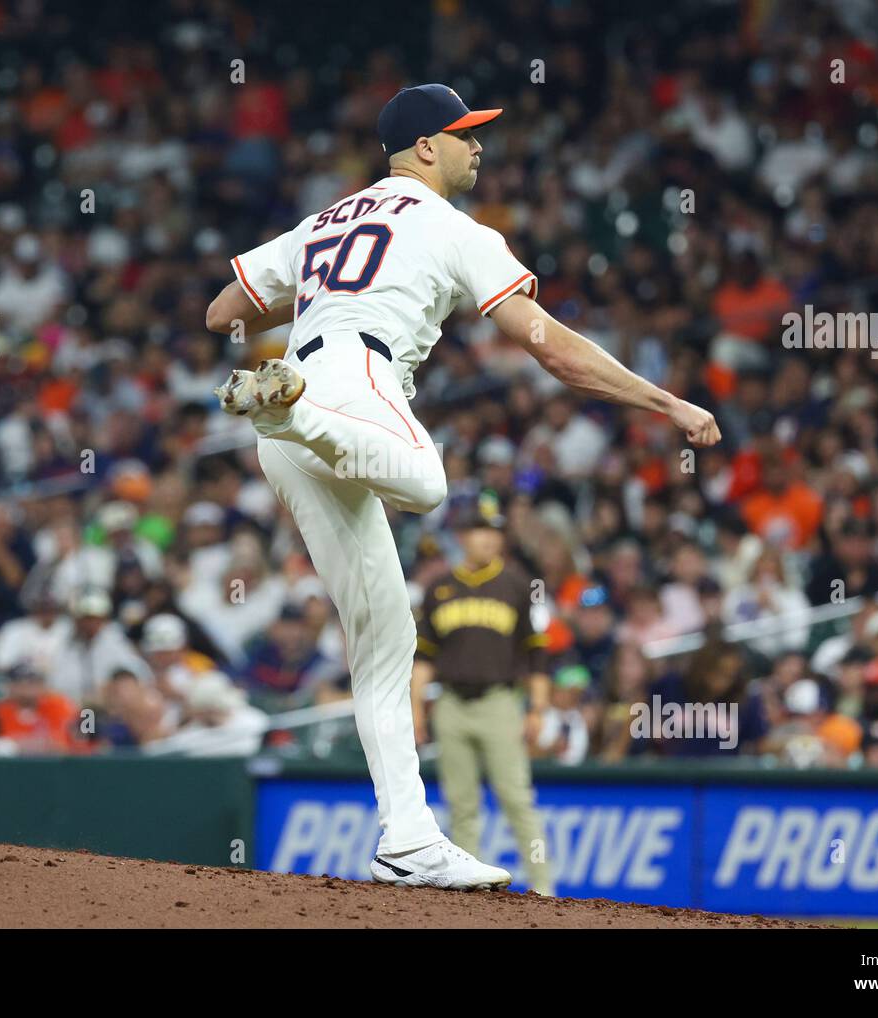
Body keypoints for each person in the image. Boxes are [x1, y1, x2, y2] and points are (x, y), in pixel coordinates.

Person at [206, 83, 720, 890]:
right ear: (422, 149)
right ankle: (291, 415)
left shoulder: (324, 220)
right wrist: (666, 401)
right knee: (430, 485)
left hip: (301, 395)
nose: (478, 147)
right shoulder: (453, 228)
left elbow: (223, 309)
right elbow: (553, 350)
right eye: (464, 134)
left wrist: (311, 299)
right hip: (349, 386)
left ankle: (406, 838)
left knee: (385, 648)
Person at [411, 497, 555, 895]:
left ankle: (543, 887)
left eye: (494, 531)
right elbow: (424, 657)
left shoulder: (517, 584)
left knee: (516, 799)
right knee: (461, 804)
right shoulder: (439, 588)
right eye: (480, 530)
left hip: (500, 703)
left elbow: (537, 652)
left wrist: (538, 708)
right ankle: (466, 890)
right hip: (452, 704)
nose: (489, 539)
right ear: (462, 536)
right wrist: (417, 712)